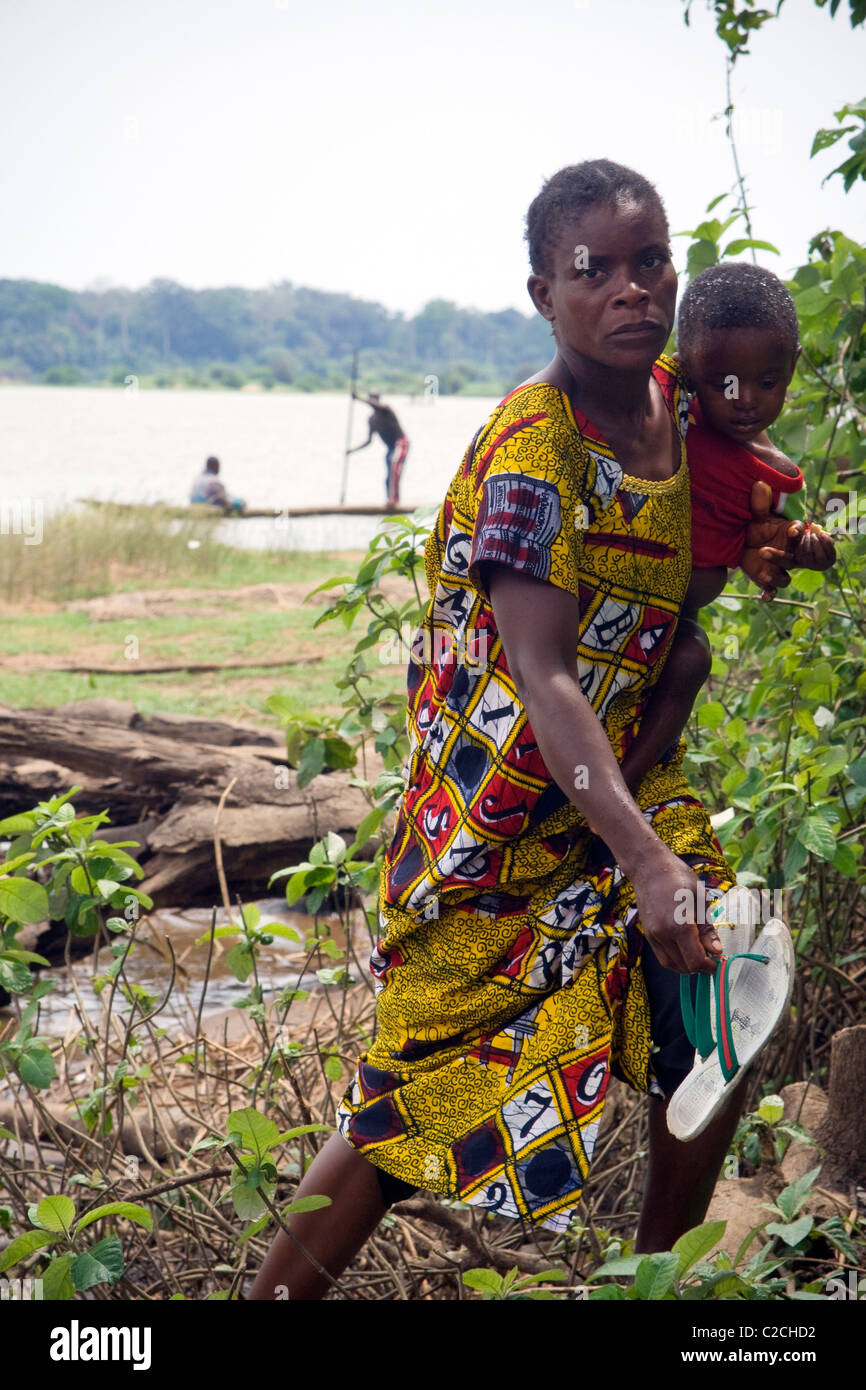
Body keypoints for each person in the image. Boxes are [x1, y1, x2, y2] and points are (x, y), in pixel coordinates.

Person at [249, 160, 800, 1301]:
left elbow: (671, 595)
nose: (628, 289)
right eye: (590, 269)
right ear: (543, 294)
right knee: (403, 1109)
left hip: (629, 774)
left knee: (711, 1016)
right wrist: (641, 859)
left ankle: (652, 1289)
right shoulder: (531, 450)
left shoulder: (681, 419)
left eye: (648, 261)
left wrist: (754, 559)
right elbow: (541, 674)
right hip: (492, 817)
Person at [616, 262, 837, 791]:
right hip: (610, 595)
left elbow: (758, 542)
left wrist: (803, 550)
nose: (746, 400)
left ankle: (623, 783)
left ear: (793, 367)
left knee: (693, 660)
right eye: (725, 384)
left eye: (768, 381)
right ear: (690, 370)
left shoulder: (777, 474)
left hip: (676, 617)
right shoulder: (669, 413)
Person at [348, 391, 410, 505]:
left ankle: (394, 501)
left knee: (394, 467)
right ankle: (389, 499)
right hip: (391, 448)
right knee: (388, 475)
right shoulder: (372, 419)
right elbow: (368, 441)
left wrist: (358, 398)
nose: (373, 402)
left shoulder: (386, 410)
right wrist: (352, 451)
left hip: (401, 443)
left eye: (374, 400)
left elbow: (375, 405)